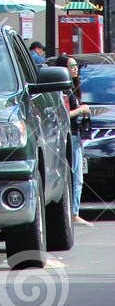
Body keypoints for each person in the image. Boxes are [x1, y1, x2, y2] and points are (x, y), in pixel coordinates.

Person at [50, 53, 92, 224]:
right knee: (76, 177)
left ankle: (74, 212)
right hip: (70, 137)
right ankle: (73, 213)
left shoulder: (70, 88)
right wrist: (81, 110)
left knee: (77, 176)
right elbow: (63, 114)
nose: (75, 69)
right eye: (71, 66)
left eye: (76, 66)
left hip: (76, 136)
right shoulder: (62, 91)